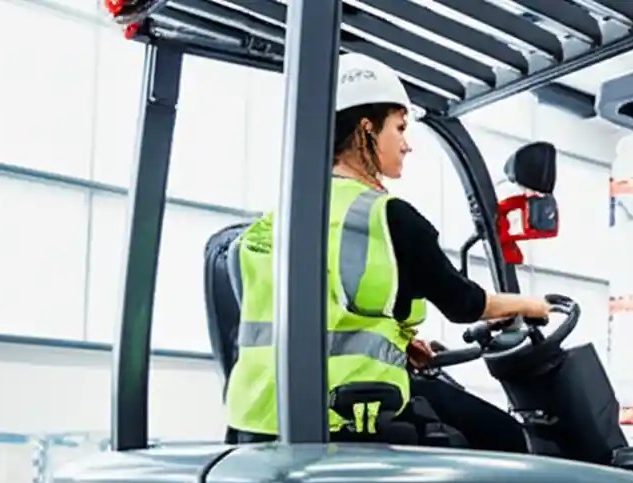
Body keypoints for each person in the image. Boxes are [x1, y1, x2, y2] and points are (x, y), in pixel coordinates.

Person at [223, 52, 552, 444]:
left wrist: (401, 344)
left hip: (258, 417)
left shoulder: (280, 218)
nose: (407, 144)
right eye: (399, 128)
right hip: (348, 412)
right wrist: (532, 306)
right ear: (366, 130)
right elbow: (464, 303)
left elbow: (324, 309)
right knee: (510, 439)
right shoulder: (387, 215)